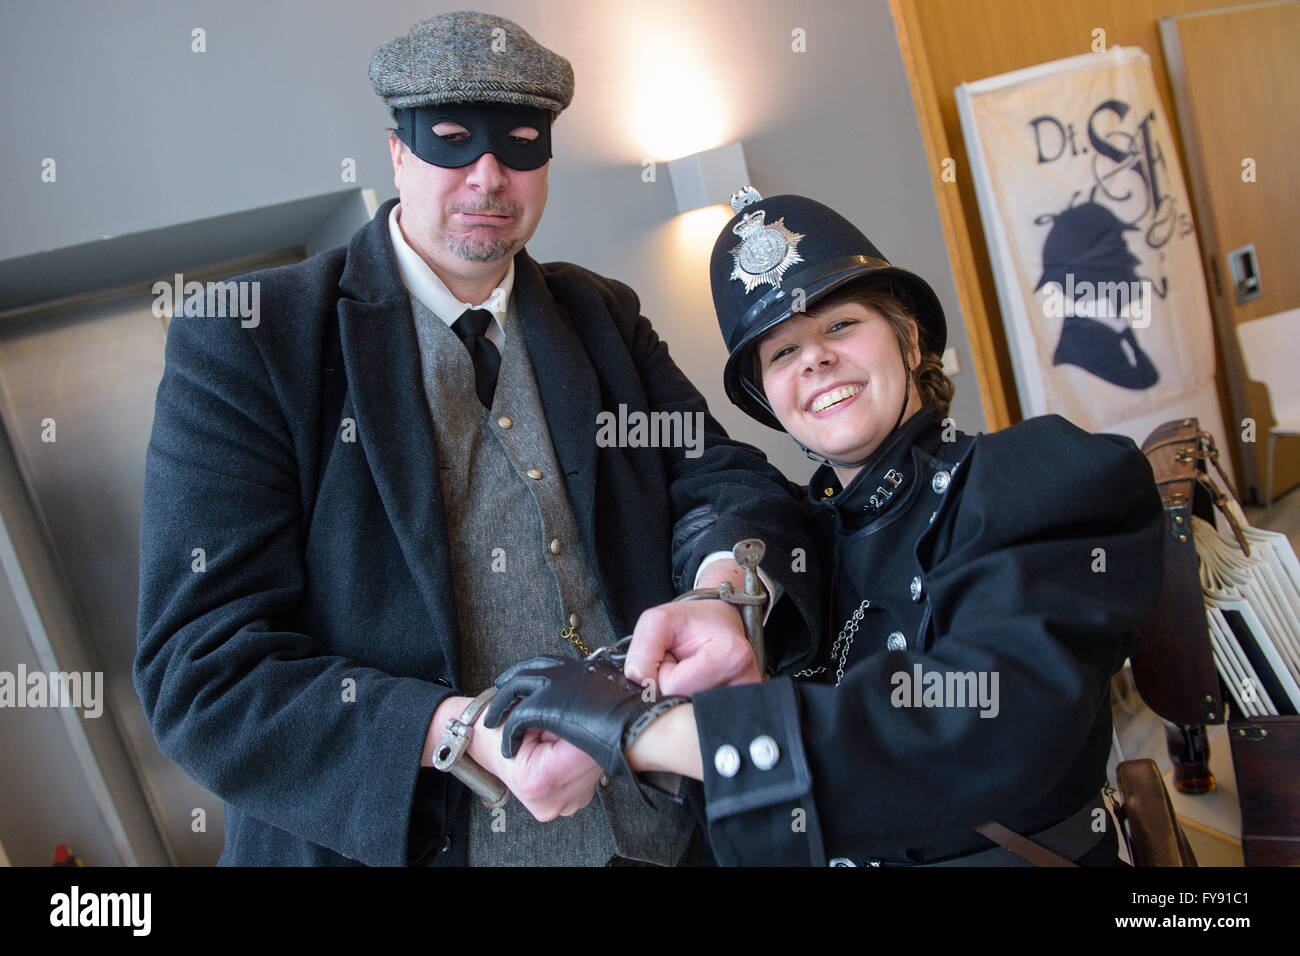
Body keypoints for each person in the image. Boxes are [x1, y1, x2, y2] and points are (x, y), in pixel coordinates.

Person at [133, 17, 821, 868]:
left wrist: (725, 590)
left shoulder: (599, 313)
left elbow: (722, 482)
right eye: (451, 142)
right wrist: (461, 733)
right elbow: (202, 670)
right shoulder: (250, 339)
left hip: (668, 841)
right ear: (396, 153)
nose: (488, 177)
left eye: (521, 145)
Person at [483, 190, 1166, 866]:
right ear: (769, 402)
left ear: (910, 338)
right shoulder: (788, 554)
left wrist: (641, 730)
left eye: (840, 325)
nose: (813, 359)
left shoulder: (1033, 480)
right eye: (781, 354)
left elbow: (982, 728)